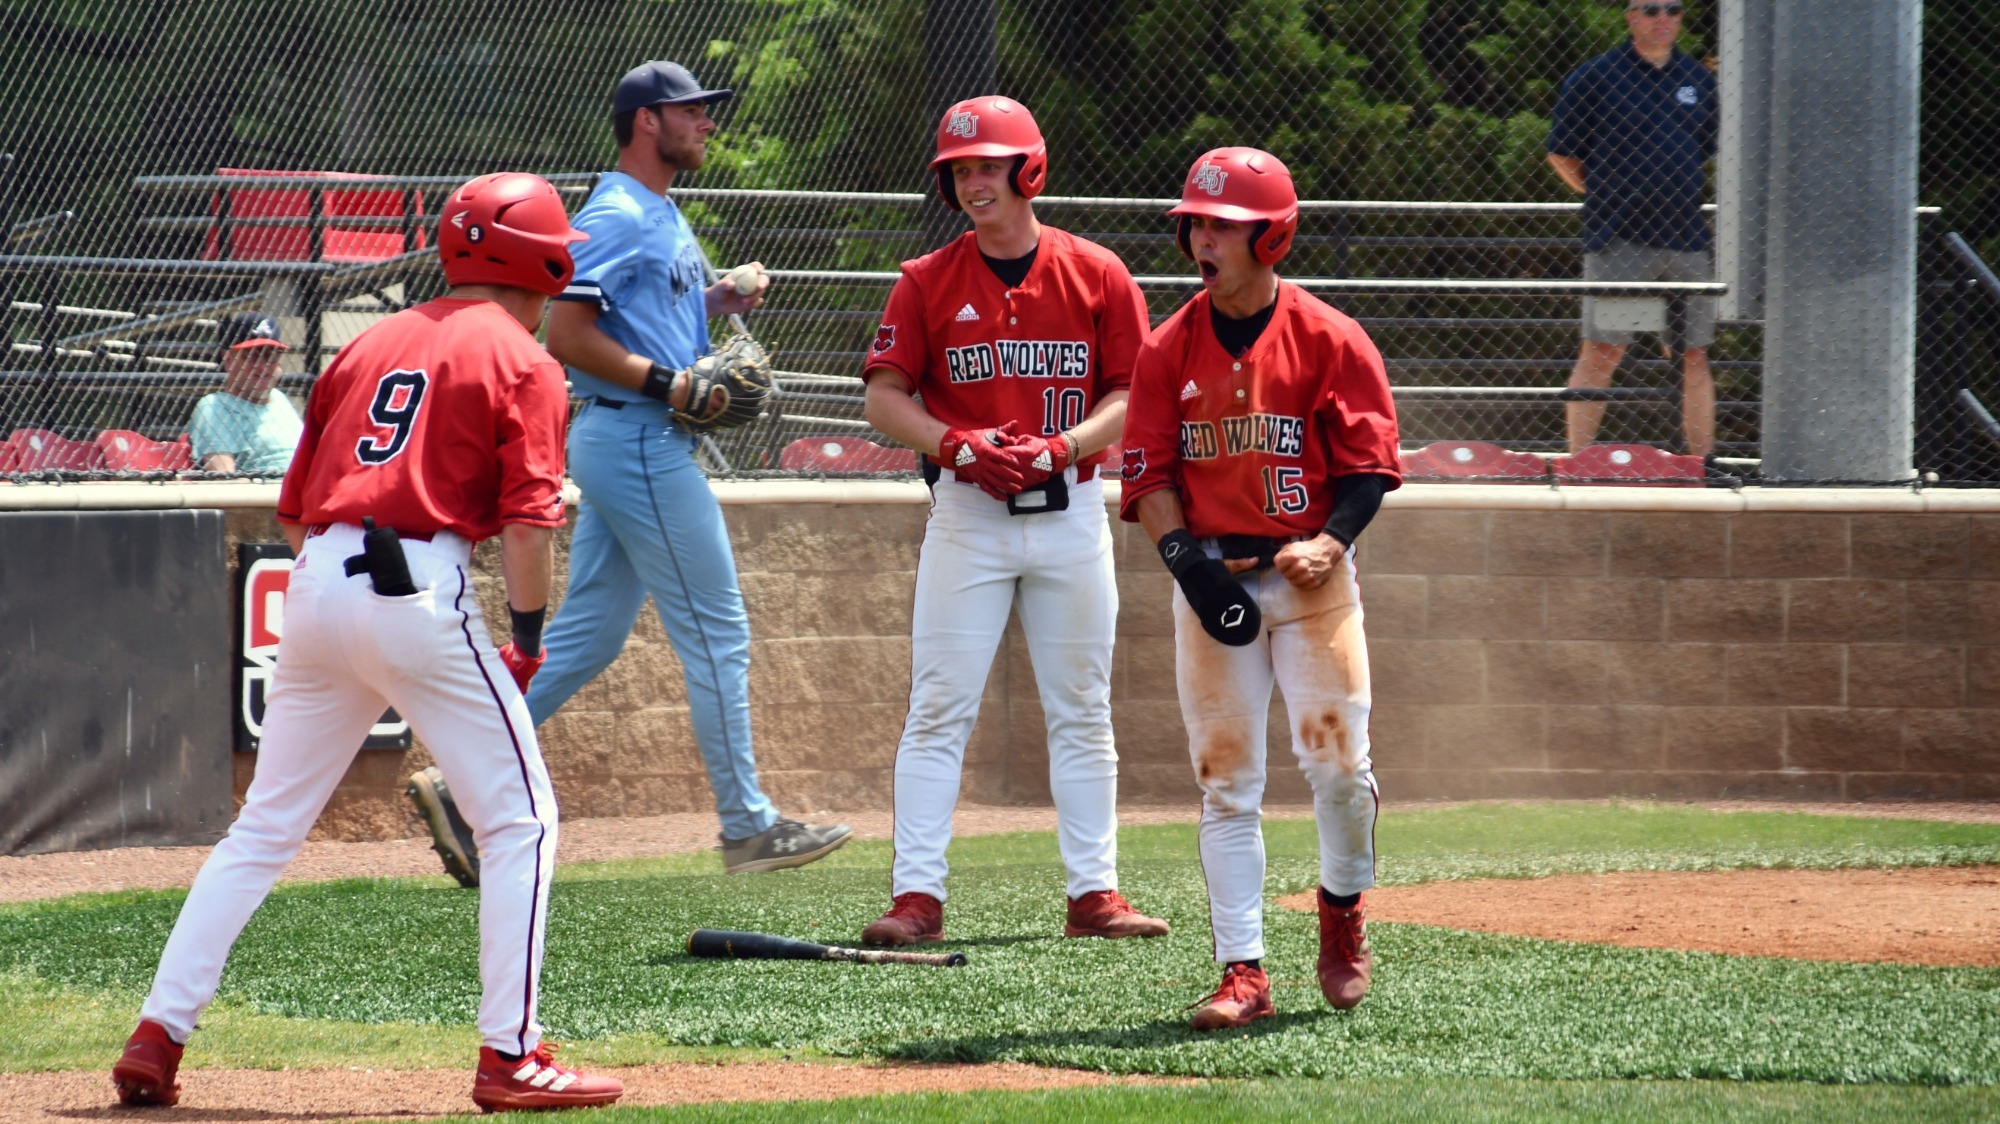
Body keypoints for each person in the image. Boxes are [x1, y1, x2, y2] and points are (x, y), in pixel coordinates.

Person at [110, 172, 625, 1112]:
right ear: (539, 258)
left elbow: (298, 510)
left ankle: (157, 1035)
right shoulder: (524, 359)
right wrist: (529, 638)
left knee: (262, 830)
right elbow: (527, 526)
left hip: (313, 583)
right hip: (418, 587)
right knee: (522, 822)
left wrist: (340, 607)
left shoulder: (374, 341)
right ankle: (511, 1056)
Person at [855, 96, 1168, 947]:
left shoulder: (1097, 272)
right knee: (939, 707)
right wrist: (953, 443)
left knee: (1081, 709)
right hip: (968, 516)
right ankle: (917, 897)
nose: (970, 182)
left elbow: (1130, 393)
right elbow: (885, 394)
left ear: (1029, 169)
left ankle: (1094, 894)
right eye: (959, 169)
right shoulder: (925, 278)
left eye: (987, 165)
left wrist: (1062, 447)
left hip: (1069, 514)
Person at [525, 59, 846, 873]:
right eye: (693, 110)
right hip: (637, 435)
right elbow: (565, 333)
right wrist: (669, 379)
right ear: (645, 121)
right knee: (718, 632)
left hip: (626, 435)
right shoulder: (617, 210)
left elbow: (640, 314)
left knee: (587, 639)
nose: (708, 122)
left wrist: (714, 303)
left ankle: (465, 785)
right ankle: (747, 825)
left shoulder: (660, 212)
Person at [1119, 148, 1401, 1029]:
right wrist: (1190, 572)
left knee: (1340, 770)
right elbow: (1148, 474)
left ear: (1270, 234)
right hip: (1212, 574)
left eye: (1222, 225)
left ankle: (1342, 912)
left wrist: (1331, 540)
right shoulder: (1169, 347)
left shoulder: (1330, 336)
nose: (1202, 238)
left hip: (1310, 579)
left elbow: (1368, 467)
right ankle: (1243, 971)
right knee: (1225, 782)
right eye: (1195, 224)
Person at [1546, 0, 1719, 458]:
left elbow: (1702, 148)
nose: (1663, 19)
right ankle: (1579, 465)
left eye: (1674, 10)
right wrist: (1605, 195)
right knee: (1604, 351)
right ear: (1630, 17)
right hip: (1621, 243)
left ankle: (1701, 467)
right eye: (1650, 9)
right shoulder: (1597, 78)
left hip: (1685, 243)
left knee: (1690, 355)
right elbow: (1562, 153)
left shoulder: (1699, 81)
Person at [189, 312, 303, 474]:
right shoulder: (214, 407)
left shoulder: (279, 399)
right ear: (228, 360)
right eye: (253, 357)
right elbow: (224, 481)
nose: (263, 367)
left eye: (271, 357)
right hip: (265, 496)